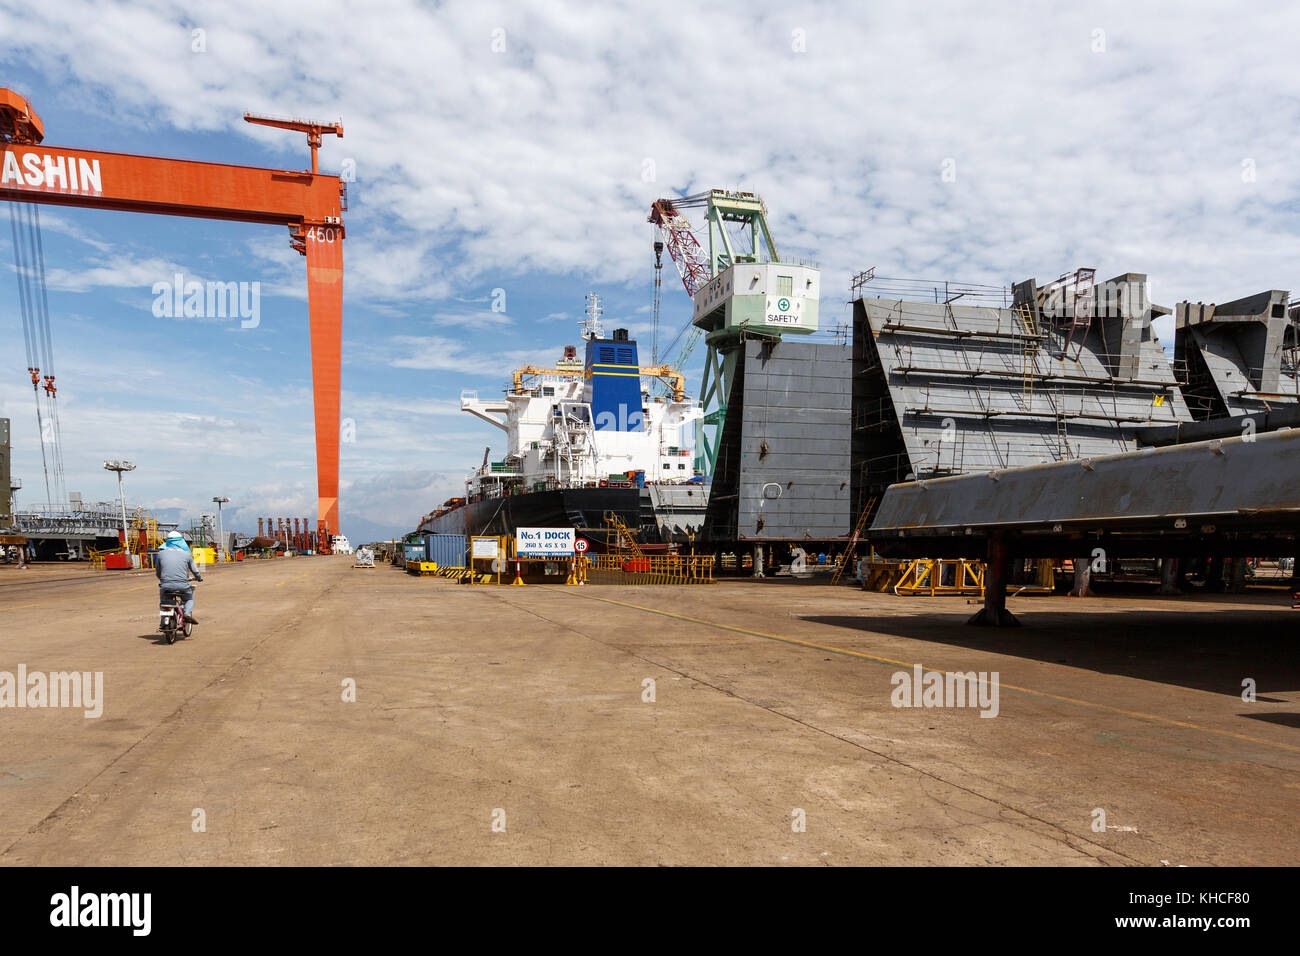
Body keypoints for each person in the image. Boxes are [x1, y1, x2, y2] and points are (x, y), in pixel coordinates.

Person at [155, 531, 203, 623]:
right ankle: (187, 614)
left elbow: (158, 571)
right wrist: (199, 578)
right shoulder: (186, 554)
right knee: (189, 599)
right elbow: (195, 570)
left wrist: (163, 579)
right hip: (183, 585)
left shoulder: (160, 554)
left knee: (164, 602)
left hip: (165, 585)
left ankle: (163, 622)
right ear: (181, 542)